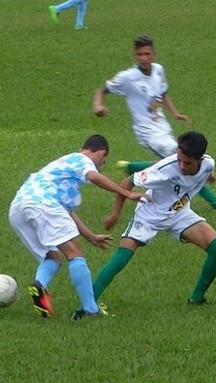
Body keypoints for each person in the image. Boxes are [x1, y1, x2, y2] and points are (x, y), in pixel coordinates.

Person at [91, 35, 216, 214]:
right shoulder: (127, 77)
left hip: (162, 127)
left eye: (147, 53)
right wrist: (98, 105)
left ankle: (131, 167)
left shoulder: (158, 70)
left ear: (154, 54)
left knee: (169, 162)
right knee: (182, 162)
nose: (144, 58)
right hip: (147, 133)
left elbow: (162, 94)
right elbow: (101, 90)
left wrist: (176, 113)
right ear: (135, 55)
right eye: (140, 54)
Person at [8, 134, 142, 320]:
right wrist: (125, 193)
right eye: (103, 161)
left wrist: (91, 237)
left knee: (53, 256)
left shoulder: (59, 170)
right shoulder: (81, 159)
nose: (101, 165)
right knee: (75, 253)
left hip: (18, 208)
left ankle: (40, 284)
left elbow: (66, 213)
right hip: (42, 204)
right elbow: (94, 177)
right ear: (102, 153)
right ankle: (90, 310)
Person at [91, 131, 216, 307]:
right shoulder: (165, 168)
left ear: (200, 160)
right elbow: (127, 182)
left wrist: (210, 175)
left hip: (179, 214)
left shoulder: (208, 163)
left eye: (187, 163)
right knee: (122, 257)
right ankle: (89, 304)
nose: (181, 166)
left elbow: (208, 169)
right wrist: (114, 215)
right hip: (149, 214)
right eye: (179, 159)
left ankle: (197, 299)